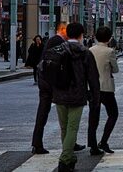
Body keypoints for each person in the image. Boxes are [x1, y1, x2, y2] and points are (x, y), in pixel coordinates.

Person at [47, 23, 100, 172]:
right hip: (77, 95)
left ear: (67, 34)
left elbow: (45, 70)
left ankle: (69, 159)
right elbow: (93, 78)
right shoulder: (85, 53)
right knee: (72, 128)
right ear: (81, 35)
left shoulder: (57, 50)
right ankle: (64, 160)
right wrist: (95, 97)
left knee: (64, 128)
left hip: (59, 94)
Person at [32, 22, 70, 155]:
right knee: (50, 112)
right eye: (67, 30)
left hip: (45, 80)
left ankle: (38, 143)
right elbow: (53, 63)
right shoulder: (56, 41)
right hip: (49, 82)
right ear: (63, 30)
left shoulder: (55, 40)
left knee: (46, 111)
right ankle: (38, 143)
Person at [88, 26, 119, 156]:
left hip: (92, 88)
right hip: (106, 87)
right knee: (113, 114)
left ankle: (93, 145)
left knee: (93, 117)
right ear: (109, 38)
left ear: (95, 37)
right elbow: (115, 69)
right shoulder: (109, 51)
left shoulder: (89, 50)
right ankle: (104, 141)